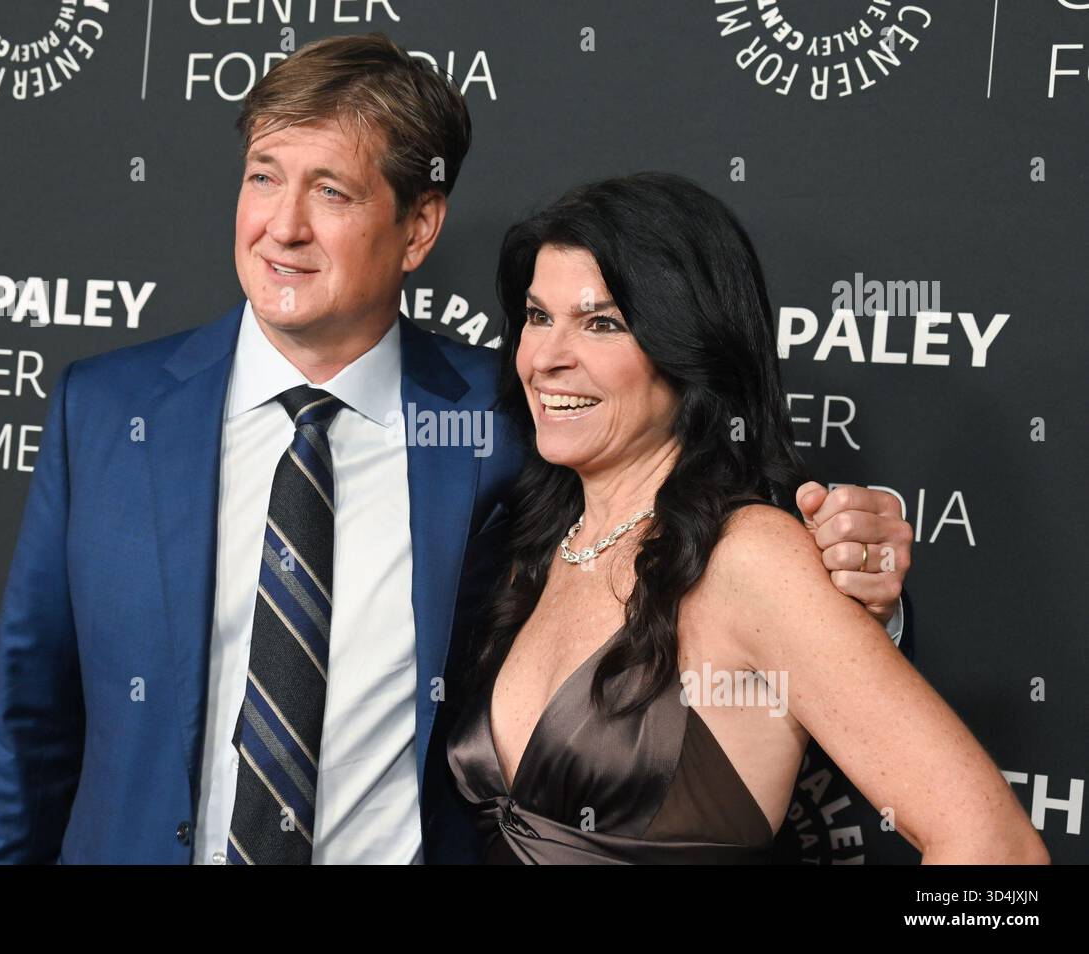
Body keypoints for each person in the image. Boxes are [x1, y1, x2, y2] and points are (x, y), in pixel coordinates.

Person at [0, 33, 912, 865]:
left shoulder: (518, 424)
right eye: (263, 176)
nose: (281, 227)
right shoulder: (108, 411)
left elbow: (689, 563)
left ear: (419, 228)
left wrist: (857, 587)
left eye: (330, 190)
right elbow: (27, 722)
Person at [446, 172, 1048, 865]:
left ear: (688, 345)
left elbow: (999, 850)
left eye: (602, 323)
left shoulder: (751, 557)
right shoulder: (536, 547)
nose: (547, 358)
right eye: (537, 316)